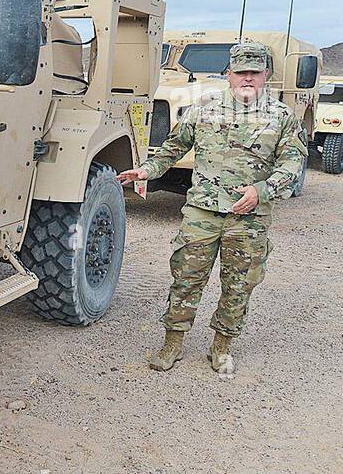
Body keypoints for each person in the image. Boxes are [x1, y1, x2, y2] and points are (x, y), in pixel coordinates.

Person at [116, 41, 307, 373]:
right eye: (241, 72)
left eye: (255, 73)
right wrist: (147, 170)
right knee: (186, 279)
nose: (248, 79)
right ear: (229, 74)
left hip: (248, 219)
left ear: (266, 76)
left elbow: (292, 164)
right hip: (202, 214)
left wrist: (263, 190)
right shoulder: (204, 108)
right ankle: (172, 343)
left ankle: (221, 347)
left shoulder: (282, 118)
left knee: (239, 285)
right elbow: (173, 148)